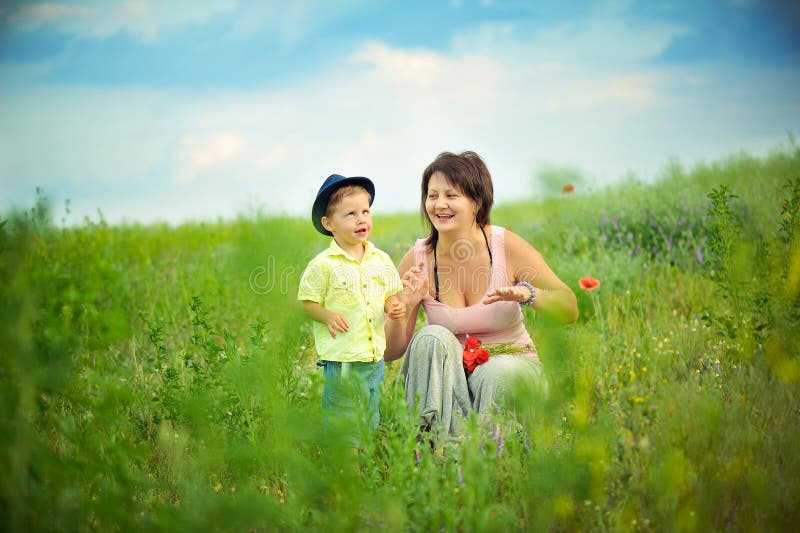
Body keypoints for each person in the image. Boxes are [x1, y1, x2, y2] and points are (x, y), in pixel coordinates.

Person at [384, 151, 579, 441]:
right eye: (432, 196)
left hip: (509, 367)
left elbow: (570, 308)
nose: (439, 204)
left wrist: (528, 294)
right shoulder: (417, 259)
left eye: (451, 195)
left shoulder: (505, 246)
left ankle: (492, 452)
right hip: (451, 382)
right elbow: (390, 352)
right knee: (430, 337)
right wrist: (402, 309)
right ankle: (433, 447)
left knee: (496, 373)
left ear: (477, 202)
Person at [298, 174, 406, 448]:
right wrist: (327, 315)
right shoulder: (323, 264)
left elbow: (390, 295)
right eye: (350, 214)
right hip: (344, 361)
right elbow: (307, 302)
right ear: (329, 224)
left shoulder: (380, 259)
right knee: (344, 421)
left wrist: (393, 306)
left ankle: (363, 459)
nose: (361, 219)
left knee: (369, 415)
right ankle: (348, 467)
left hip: (374, 359)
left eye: (365, 211)